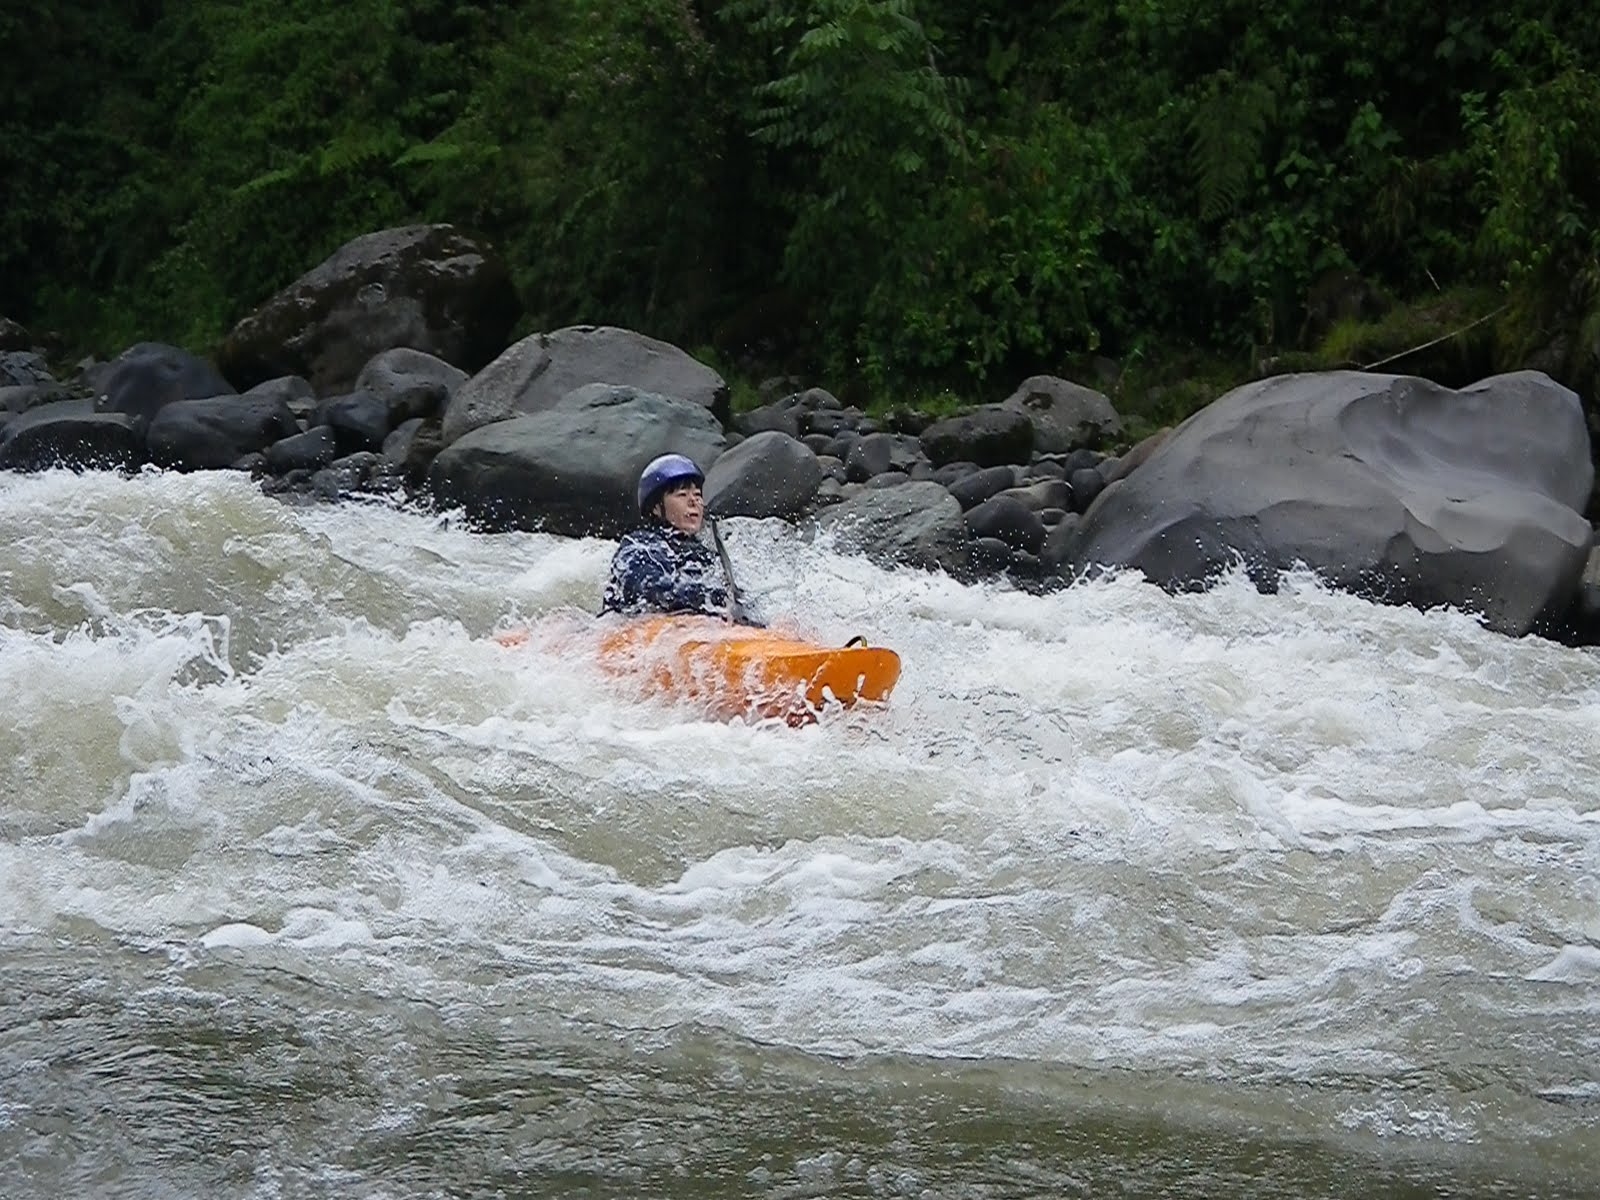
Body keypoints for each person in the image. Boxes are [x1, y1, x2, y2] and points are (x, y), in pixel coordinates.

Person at [601, 453, 742, 620]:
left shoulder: (705, 555)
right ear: (656, 507)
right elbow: (644, 585)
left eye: (697, 495)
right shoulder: (639, 546)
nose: (693, 501)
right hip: (637, 627)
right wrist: (705, 597)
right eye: (682, 494)